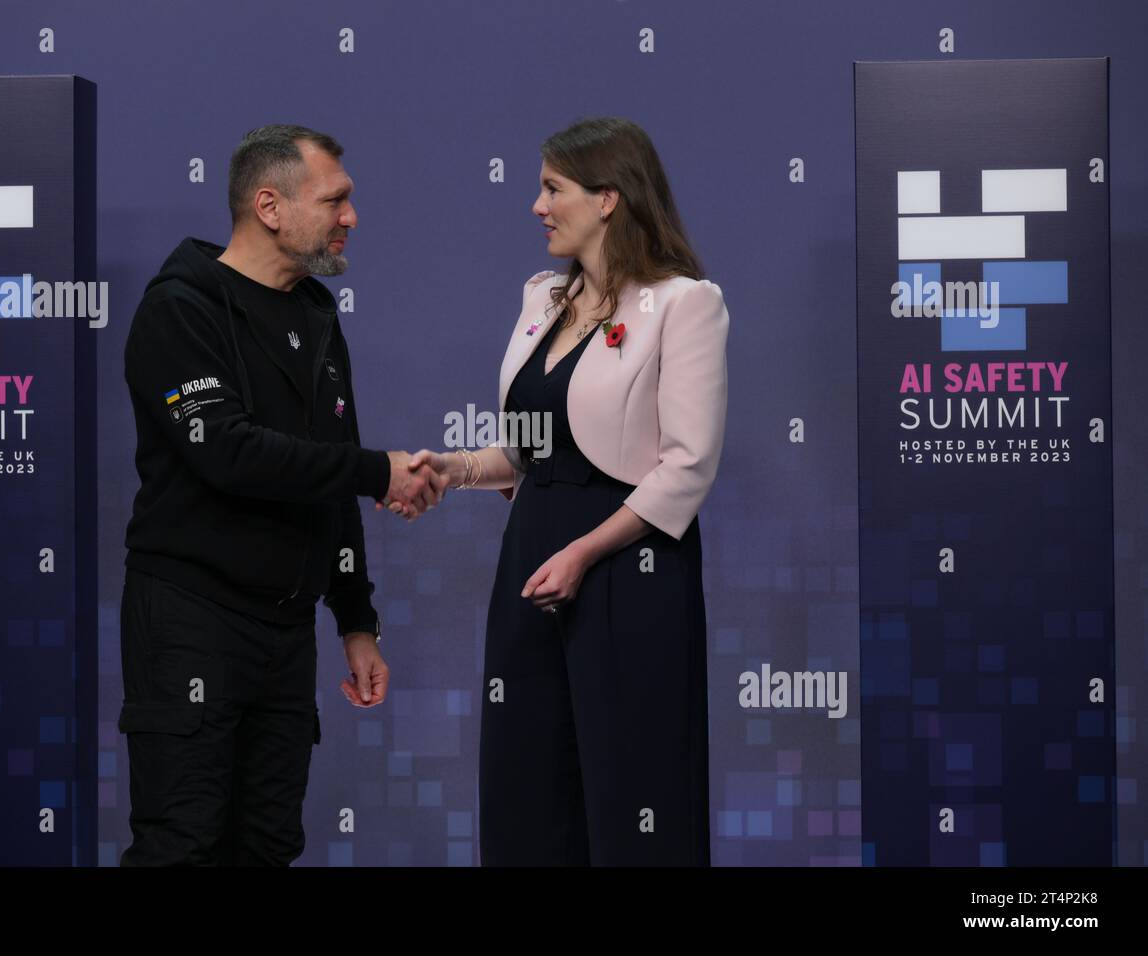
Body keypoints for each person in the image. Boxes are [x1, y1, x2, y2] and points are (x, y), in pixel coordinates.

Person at [395, 117, 730, 865]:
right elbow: (532, 450)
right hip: (533, 557)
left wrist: (583, 551)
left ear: (609, 198)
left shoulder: (684, 304)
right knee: (526, 781)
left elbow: (687, 466)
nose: (537, 206)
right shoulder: (543, 298)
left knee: (633, 786)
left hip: (628, 567)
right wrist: (451, 471)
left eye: (553, 188)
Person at [118, 124, 444, 866]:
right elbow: (228, 454)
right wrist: (377, 470)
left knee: (268, 846)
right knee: (182, 844)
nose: (351, 217)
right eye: (336, 200)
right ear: (269, 205)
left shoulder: (317, 314)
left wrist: (357, 620)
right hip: (190, 621)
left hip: (285, 637)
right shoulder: (180, 309)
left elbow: (329, 475)